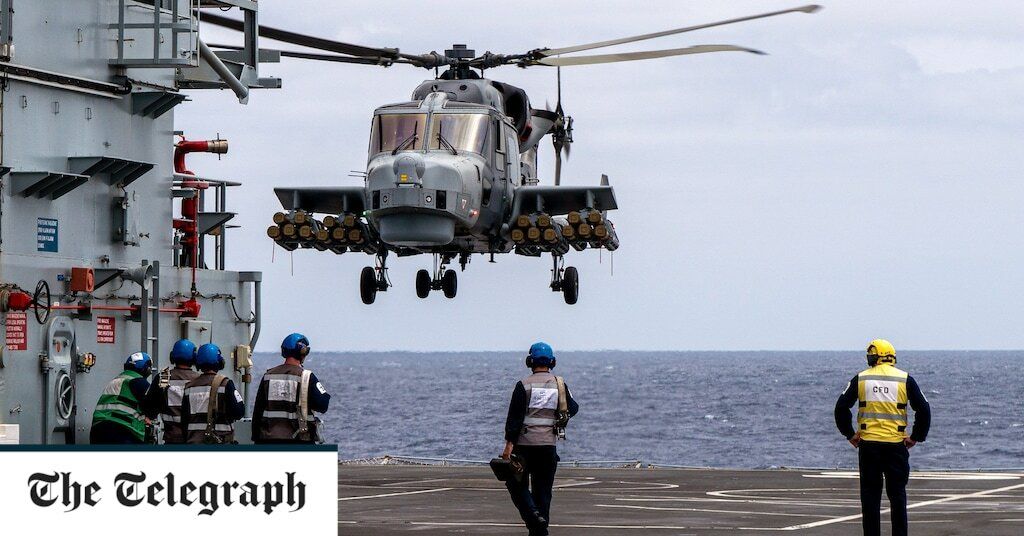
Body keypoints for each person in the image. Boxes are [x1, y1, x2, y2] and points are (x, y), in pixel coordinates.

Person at [835, 339, 931, 536]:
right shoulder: (905, 379)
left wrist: (850, 434)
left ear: (876, 357)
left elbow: (841, 408)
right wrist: (915, 437)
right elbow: (924, 409)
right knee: (898, 497)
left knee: (870, 498)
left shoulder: (861, 378)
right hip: (896, 446)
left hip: (869, 447)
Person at [501, 342, 579, 536]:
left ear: (530, 361)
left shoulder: (523, 385)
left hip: (523, 447)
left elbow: (514, 419)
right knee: (543, 493)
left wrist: (508, 446)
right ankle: (540, 529)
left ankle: (532, 515)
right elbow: (573, 408)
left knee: (515, 484)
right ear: (552, 362)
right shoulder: (560, 385)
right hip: (547, 447)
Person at [252, 333, 331, 444]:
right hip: (300, 441)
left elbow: (258, 412)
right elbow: (323, 405)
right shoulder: (307, 377)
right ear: (303, 352)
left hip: (269, 441)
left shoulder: (268, 376)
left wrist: (256, 439)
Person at [181, 343, 245, 444]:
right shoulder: (225, 384)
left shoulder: (189, 387)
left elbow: (184, 420)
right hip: (220, 442)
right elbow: (239, 412)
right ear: (220, 362)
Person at [90, 352, 159, 444]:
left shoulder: (115, 381)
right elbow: (153, 408)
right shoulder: (139, 382)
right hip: (123, 431)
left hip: (98, 430)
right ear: (146, 369)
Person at [144, 339, 200, 444]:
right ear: (194, 358)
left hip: (171, 437)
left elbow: (150, 408)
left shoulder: (163, 377)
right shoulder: (199, 379)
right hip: (195, 437)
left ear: (172, 356)